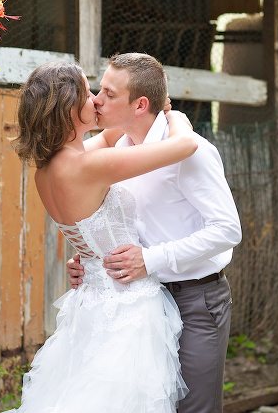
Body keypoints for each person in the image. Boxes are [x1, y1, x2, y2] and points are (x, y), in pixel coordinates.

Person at [8, 61, 198, 413]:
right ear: (68, 108)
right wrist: (174, 114)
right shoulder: (89, 166)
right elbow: (184, 146)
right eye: (87, 93)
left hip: (93, 295)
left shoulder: (51, 168)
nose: (96, 101)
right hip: (127, 301)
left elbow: (112, 136)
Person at [67, 53, 242, 413]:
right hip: (142, 303)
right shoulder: (119, 149)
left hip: (196, 303)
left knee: (194, 409)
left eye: (109, 93)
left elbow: (227, 229)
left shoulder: (191, 153)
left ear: (140, 104)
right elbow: (126, 222)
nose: (97, 99)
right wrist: (91, 260)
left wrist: (149, 259)